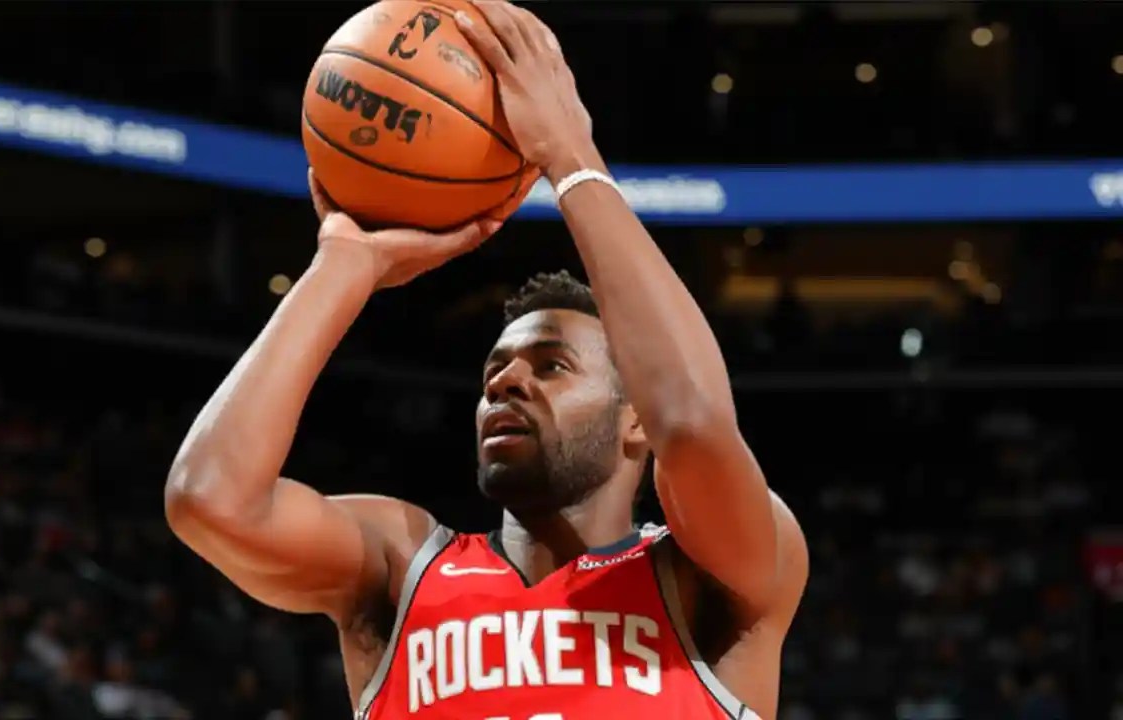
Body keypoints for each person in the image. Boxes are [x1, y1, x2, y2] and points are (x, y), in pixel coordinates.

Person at [165, 2, 808, 719]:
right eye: (495, 370)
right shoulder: (397, 566)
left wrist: (573, 159)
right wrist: (343, 265)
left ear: (637, 422)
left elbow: (691, 421)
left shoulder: (710, 579)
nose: (506, 379)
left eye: (552, 365)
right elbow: (208, 498)